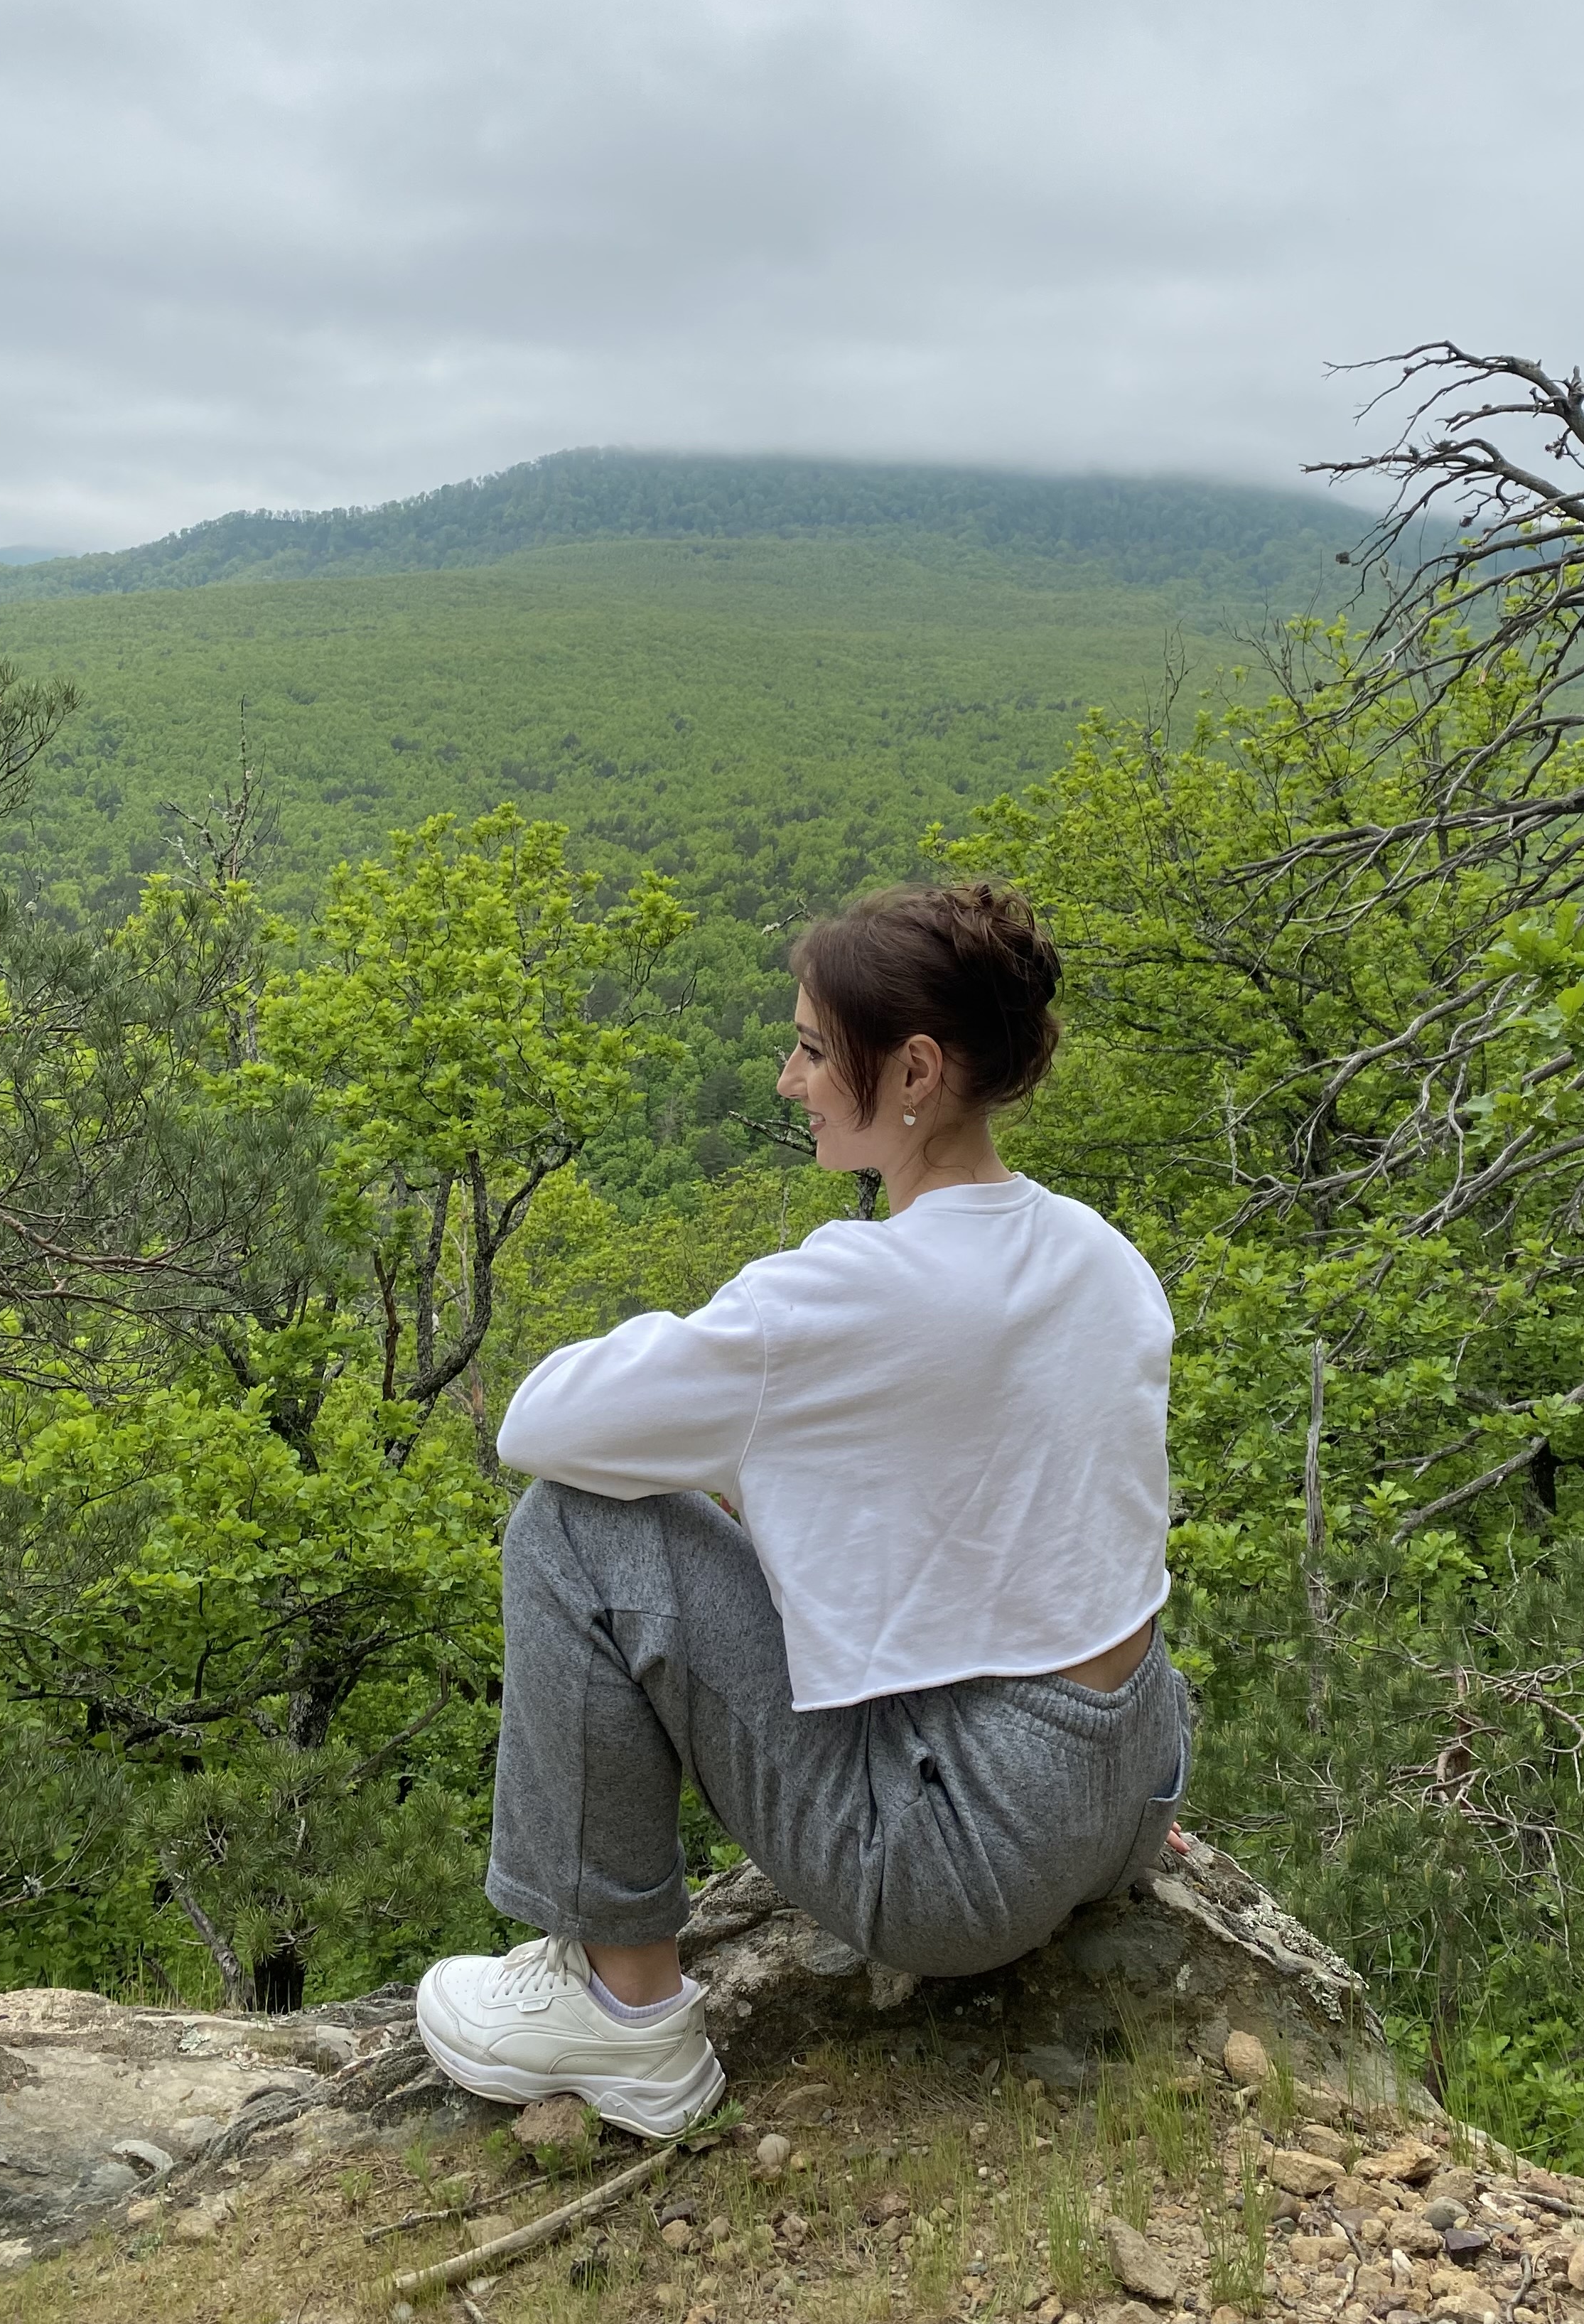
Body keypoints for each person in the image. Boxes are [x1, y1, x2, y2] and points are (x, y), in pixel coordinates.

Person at [416, 882, 1188, 2139]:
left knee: (570, 1530)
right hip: (1129, 1790)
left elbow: (539, 1428)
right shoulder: (1096, 1252)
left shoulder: (848, 1290)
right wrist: (779, 1464)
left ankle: (624, 2021)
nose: (790, 1078)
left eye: (816, 1048)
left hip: (960, 1872)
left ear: (917, 1071)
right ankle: (626, 1998)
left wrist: (732, 1440)